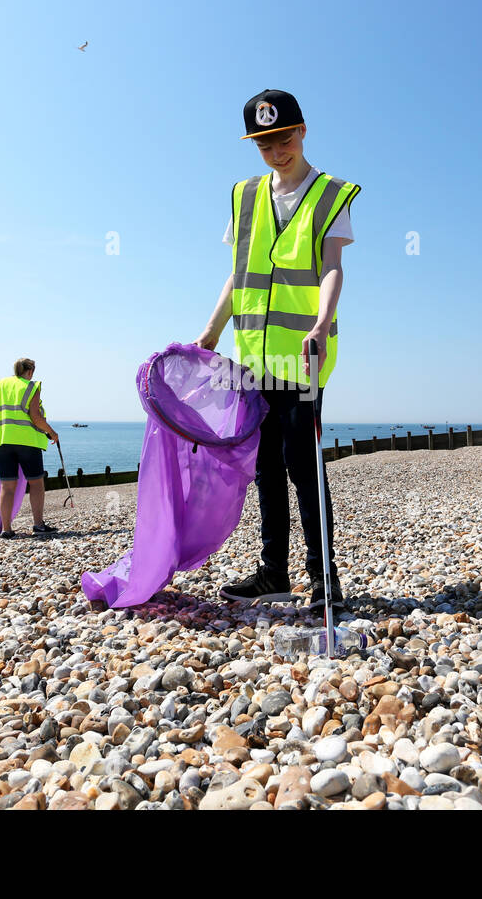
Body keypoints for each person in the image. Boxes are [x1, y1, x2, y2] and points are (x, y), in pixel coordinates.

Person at [194, 89, 360, 609]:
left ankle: (324, 581)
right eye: (263, 143)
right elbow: (237, 275)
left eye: (283, 138)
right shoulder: (244, 195)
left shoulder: (329, 194)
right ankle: (273, 574)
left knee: (303, 466)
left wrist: (322, 320)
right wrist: (211, 330)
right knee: (265, 466)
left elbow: (332, 265)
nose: (275, 150)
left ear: (303, 130)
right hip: (251, 358)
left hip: (300, 356)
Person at [0, 358, 60, 538]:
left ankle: (6, 529)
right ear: (30, 371)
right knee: (36, 483)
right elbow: (36, 417)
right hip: (27, 442)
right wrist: (52, 433)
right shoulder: (31, 387)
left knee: (7, 486)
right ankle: (38, 525)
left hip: (1, 441)